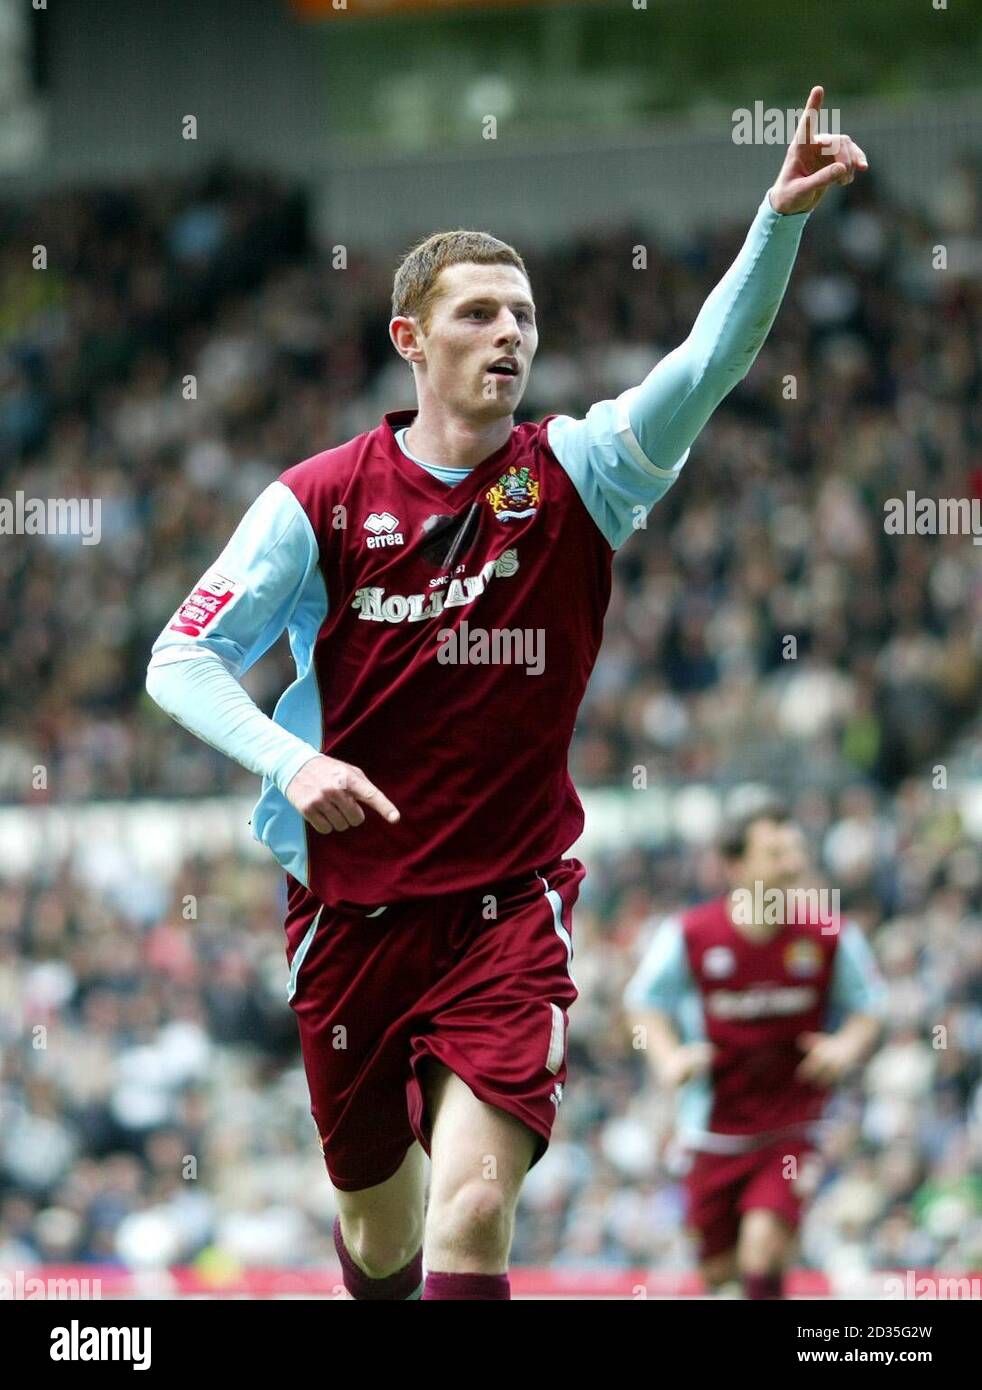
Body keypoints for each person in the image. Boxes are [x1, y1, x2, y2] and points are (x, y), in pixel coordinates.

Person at [146, 89, 867, 1300]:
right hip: (351, 915)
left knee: (475, 1210)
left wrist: (775, 223)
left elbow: (706, 362)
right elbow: (179, 658)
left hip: (507, 906)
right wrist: (291, 759)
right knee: (385, 1236)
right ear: (409, 339)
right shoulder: (317, 501)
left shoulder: (582, 474)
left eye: (522, 316)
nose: (507, 335)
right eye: (475, 313)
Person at [623, 798, 886, 1298]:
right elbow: (643, 1002)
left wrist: (845, 1048)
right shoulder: (690, 934)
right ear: (736, 866)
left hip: (793, 1122)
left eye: (794, 852)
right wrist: (668, 1057)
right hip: (712, 1129)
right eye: (774, 853)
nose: (791, 864)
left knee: (762, 1248)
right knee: (720, 1273)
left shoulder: (829, 932)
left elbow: (870, 1004)